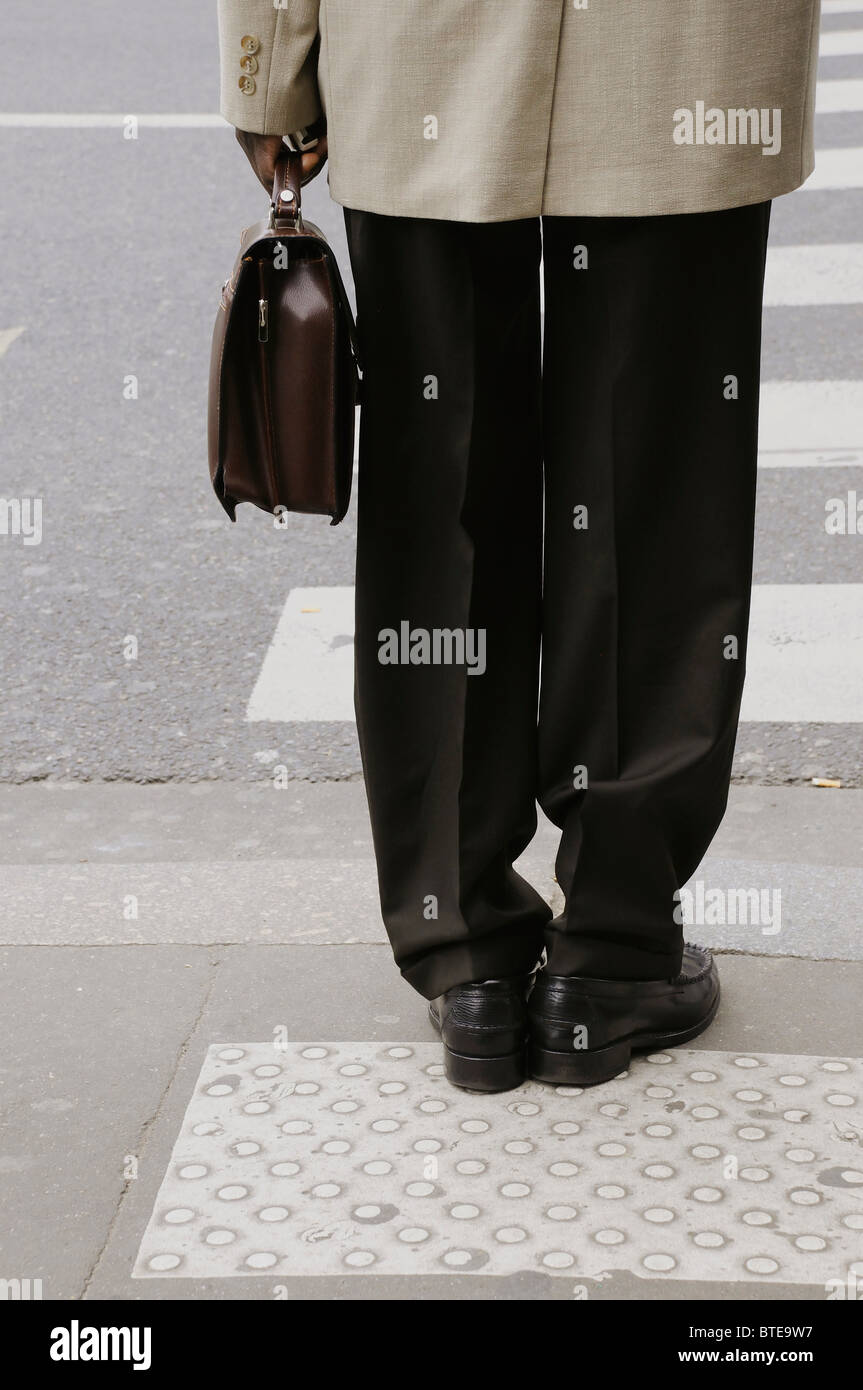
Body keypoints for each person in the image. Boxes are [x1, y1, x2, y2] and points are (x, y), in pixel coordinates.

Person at [217, 0, 821, 1092]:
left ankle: (468, 958)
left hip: (419, 48)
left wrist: (266, 70)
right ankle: (607, 956)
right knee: (656, 480)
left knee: (439, 490)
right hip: (684, 52)